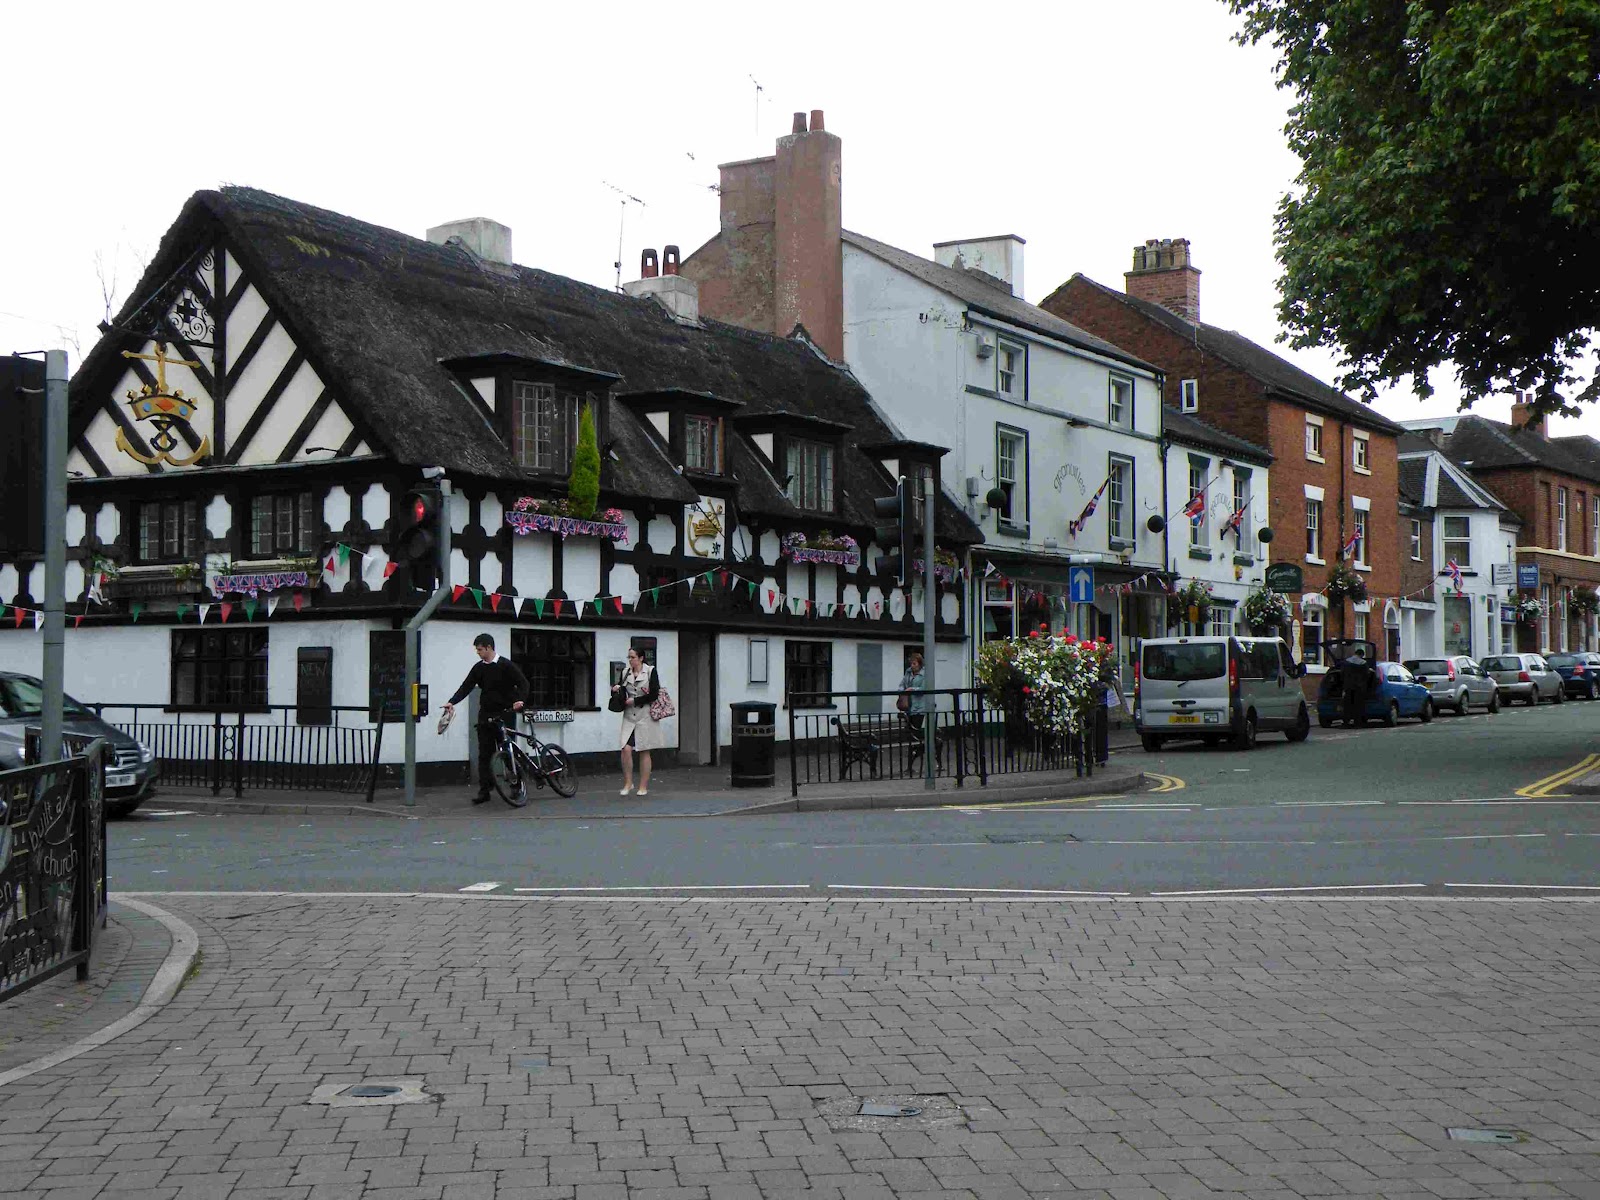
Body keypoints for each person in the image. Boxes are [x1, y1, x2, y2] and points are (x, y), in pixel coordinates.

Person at [442, 633, 528, 805]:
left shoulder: (506, 665)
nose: (478, 653)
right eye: (477, 650)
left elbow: (524, 683)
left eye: (480, 649)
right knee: (484, 754)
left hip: (505, 712)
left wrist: (520, 700)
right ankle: (484, 791)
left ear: (489, 647)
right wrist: (452, 702)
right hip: (486, 714)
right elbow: (466, 686)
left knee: (507, 751)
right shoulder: (478, 668)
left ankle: (517, 787)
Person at [611, 646, 663, 795]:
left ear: (640, 658)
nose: (630, 660)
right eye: (629, 657)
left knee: (644, 750)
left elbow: (654, 694)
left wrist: (635, 700)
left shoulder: (651, 672)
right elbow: (622, 691)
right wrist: (615, 690)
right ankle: (628, 784)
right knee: (625, 749)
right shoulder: (626, 672)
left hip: (644, 715)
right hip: (629, 716)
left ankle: (643, 786)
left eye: (632, 657)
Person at [1341, 649, 1373, 728]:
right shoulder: (1363, 663)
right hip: (1359, 687)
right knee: (1358, 706)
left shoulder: (1346, 662)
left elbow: (1342, 674)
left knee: (1347, 705)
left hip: (1348, 686)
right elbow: (1367, 675)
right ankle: (1357, 723)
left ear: (1355, 653)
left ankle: (1346, 722)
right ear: (1361, 655)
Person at [898, 652, 928, 735]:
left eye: (914, 663)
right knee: (908, 731)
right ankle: (912, 746)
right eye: (911, 663)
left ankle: (918, 746)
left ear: (920, 664)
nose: (912, 666)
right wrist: (901, 690)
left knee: (915, 729)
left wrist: (912, 689)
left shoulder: (925, 674)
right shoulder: (908, 672)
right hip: (908, 706)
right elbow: (902, 684)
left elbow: (925, 689)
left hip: (919, 707)